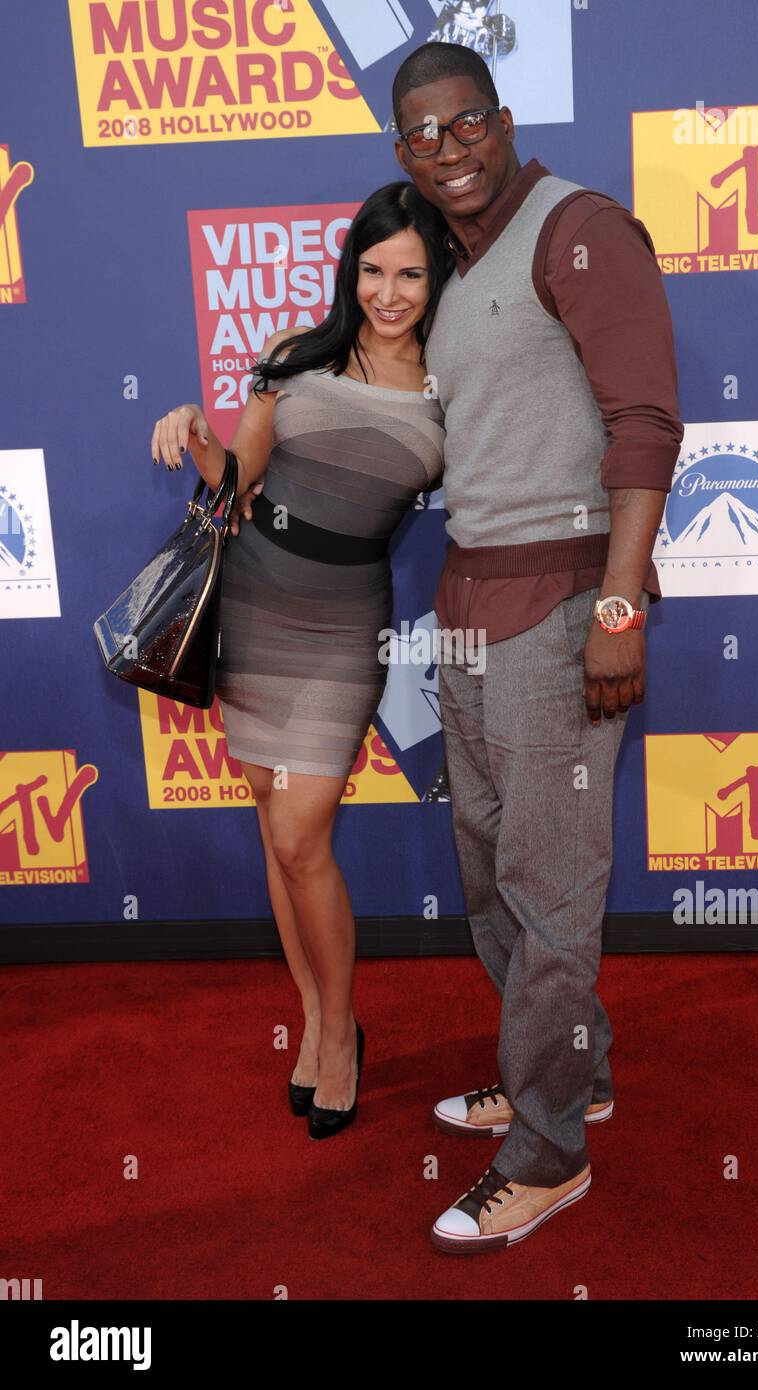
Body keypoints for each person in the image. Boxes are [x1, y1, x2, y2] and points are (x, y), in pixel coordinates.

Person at [390, 43, 685, 1251]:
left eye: (465, 126)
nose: (449, 151)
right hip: (468, 604)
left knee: (550, 888)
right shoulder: (455, 274)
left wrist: (619, 610)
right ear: (402, 154)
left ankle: (548, 1153)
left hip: (565, 602)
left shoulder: (579, 229)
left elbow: (645, 421)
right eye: (423, 137)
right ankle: (569, 1071)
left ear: (501, 120)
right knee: (492, 876)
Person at [150, 182, 450, 1139]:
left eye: (411, 271)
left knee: (298, 836)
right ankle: (324, 1025)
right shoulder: (293, 357)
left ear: (438, 275)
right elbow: (234, 488)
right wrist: (195, 429)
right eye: (373, 270)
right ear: (349, 271)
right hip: (254, 606)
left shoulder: (454, 385)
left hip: (341, 627)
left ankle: (340, 1022)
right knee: (275, 834)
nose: (389, 291)